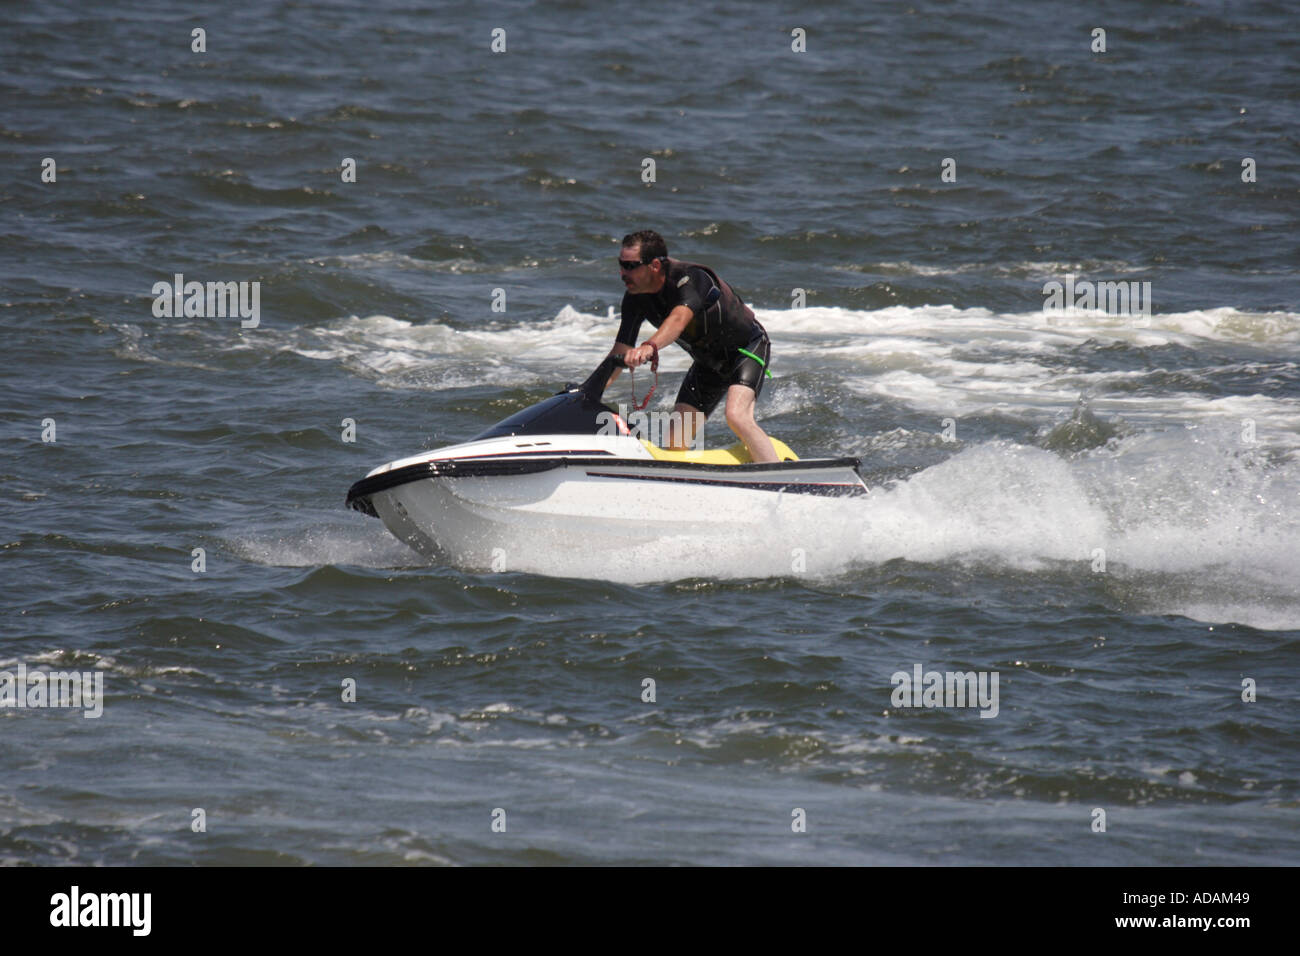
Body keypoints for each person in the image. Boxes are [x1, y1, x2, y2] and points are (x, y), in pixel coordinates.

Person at [605, 230, 778, 463]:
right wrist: (590, 389)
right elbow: (621, 350)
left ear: (654, 265)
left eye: (630, 265)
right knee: (675, 439)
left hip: (747, 349)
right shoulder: (635, 298)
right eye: (621, 264)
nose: (623, 273)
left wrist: (649, 347)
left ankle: (778, 478)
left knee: (737, 416)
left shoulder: (690, 278)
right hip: (708, 363)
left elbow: (678, 320)